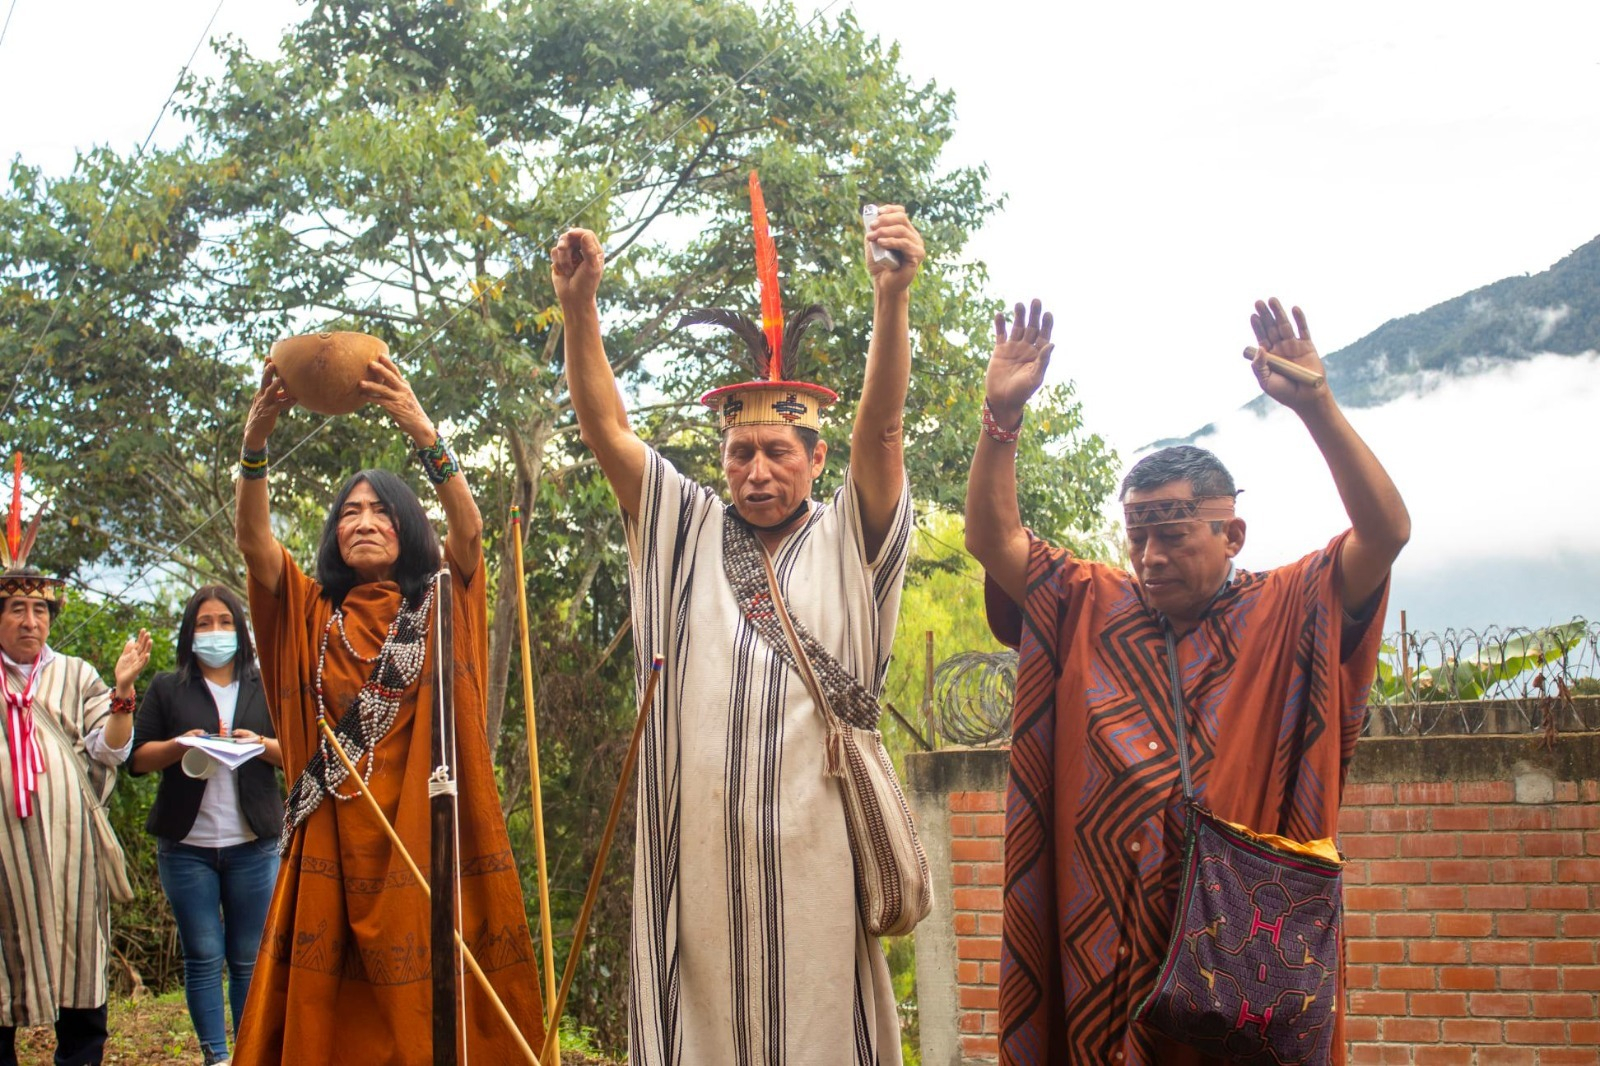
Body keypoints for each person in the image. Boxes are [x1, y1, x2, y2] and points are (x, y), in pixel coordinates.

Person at [964, 298, 1410, 1065]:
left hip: (1238, 945)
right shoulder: (1087, 600)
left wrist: (1317, 407)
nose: (1150, 558)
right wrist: (1001, 419)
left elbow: (1386, 532)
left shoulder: (1288, 603)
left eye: (1171, 536)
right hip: (1100, 941)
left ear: (1230, 534)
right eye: (1138, 537)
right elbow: (992, 537)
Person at [551, 185, 925, 1066]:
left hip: (819, 861)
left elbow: (881, 434)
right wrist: (579, 311)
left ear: (816, 457)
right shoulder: (684, 528)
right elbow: (607, 430)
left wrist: (891, 298)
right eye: (740, 453)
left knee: (822, 1034)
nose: (757, 471)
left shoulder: (851, 541)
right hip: (701, 866)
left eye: (779, 452)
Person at [229, 353, 544, 1064]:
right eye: (350, 512)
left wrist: (422, 430)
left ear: (407, 528)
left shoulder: (440, 599)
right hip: (331, 837)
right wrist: (255, 446)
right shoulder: (311, 610)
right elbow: (254, 543)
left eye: (380, 511)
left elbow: (470, 533)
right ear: (334, 534)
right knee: (329, 1020)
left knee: (430, 1009)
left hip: (426, 833)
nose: (364, 521)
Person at [0, 550, 152, 1066]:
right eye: (17, 609)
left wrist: (123, 690)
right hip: (6, 861)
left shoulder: (76, 674)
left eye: (40, 610)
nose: (30, 621)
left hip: (72, 856)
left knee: (80, 972)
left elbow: (111, 749)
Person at [130, 584, 283, 1066]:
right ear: (189, 633)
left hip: (253, 845)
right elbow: (137, 759)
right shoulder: (167, 687)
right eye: (204, 623)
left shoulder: (266, 683)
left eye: (224, 622)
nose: (215, 632)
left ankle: (248, 1055)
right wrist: (179, 745)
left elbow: (301, 753)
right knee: (202, 954)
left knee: (248, 957)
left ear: (241, 629)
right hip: (186, 847)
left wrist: (260, 744)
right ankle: (215, 1056)